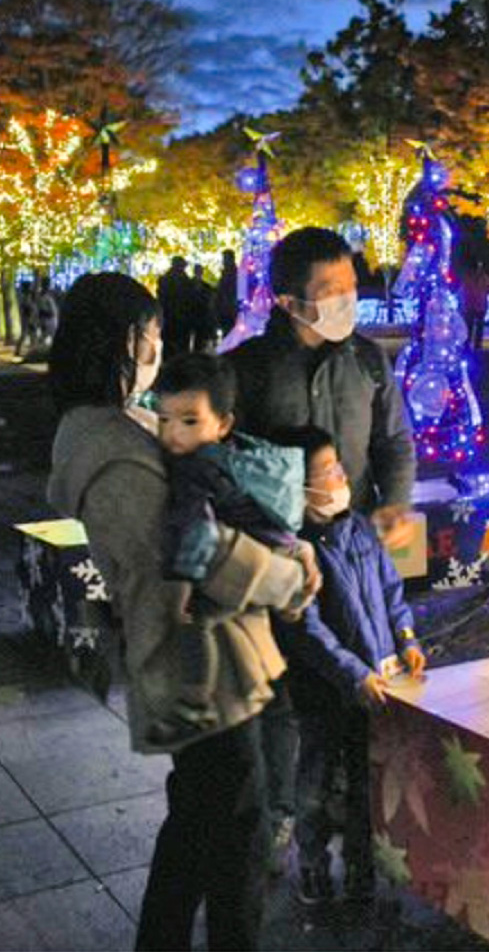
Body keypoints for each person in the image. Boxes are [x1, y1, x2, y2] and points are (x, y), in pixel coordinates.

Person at [46, 272, 320, 950]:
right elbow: (185, 556)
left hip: (204, 663)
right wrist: (285, 577)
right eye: (153, 337)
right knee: (239, 842)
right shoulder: (109, 449)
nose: (159, 350)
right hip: (197, 672)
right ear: (124, 341)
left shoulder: (113, 429)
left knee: (197, 828)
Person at [227, 226, 417, 872]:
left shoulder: (367, 360)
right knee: (293, 702)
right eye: (329, 292)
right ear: (288, 302)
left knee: (358, 688)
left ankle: (359, 823)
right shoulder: (248, 370)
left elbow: (395, 441)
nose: (346, 302)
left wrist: (392, 501)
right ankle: (289, 819)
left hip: (355, 557)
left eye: (351, 289)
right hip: (280, 570)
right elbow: (225, 465)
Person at [271, 426, 425, 906]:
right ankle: (312, 864)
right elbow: (307, 630)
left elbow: (391, 590)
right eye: (326, 472)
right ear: (300, 484)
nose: (339, 477)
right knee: (315, 781)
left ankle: (361, 863)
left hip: (376, 685)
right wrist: (351, 674)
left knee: (365, 782)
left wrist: (406, 640)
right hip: (324, 692)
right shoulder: (294, 546)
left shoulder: (359, 526)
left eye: (339, 467)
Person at [154, 353, 314, 742]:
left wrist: (181, 584)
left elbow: (199, 532)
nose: (174, 433)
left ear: (223, 423)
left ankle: (193, 704)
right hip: (283, 544)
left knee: (201, 624)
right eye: (163, 419)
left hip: (259, 551)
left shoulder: (194, 468)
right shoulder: (241, 455)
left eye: (189, 421)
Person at [216, 249, 240, 336]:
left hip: (231, 310)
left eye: (225, 259)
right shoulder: (226, 273)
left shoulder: (235, 274)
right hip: (226, 310)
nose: (223, 262)